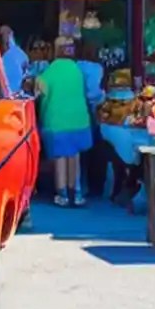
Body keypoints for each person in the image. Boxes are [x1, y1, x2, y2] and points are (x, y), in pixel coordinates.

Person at [35, 44, 94, 207]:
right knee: (74, 155)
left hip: (57, 121)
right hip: (79, 119)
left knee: (60, 157)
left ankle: (62, 195)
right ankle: (76, 193)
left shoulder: (49, 71)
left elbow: (39, 91)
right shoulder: (77, 69)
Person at [74, 42, 109, 198]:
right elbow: (94, 93)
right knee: (95, 148)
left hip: (76, 110)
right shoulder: (97, 68)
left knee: (80, 151)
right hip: (92, 111)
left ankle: (80, 184)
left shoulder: (76, 66)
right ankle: (96, 186)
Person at [0, 25, 29, 96]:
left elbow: (26, 75)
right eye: (1, 35)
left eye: (6, 34)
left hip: (18, 96)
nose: (4, 38)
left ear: (11, 35)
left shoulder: (21, 55)